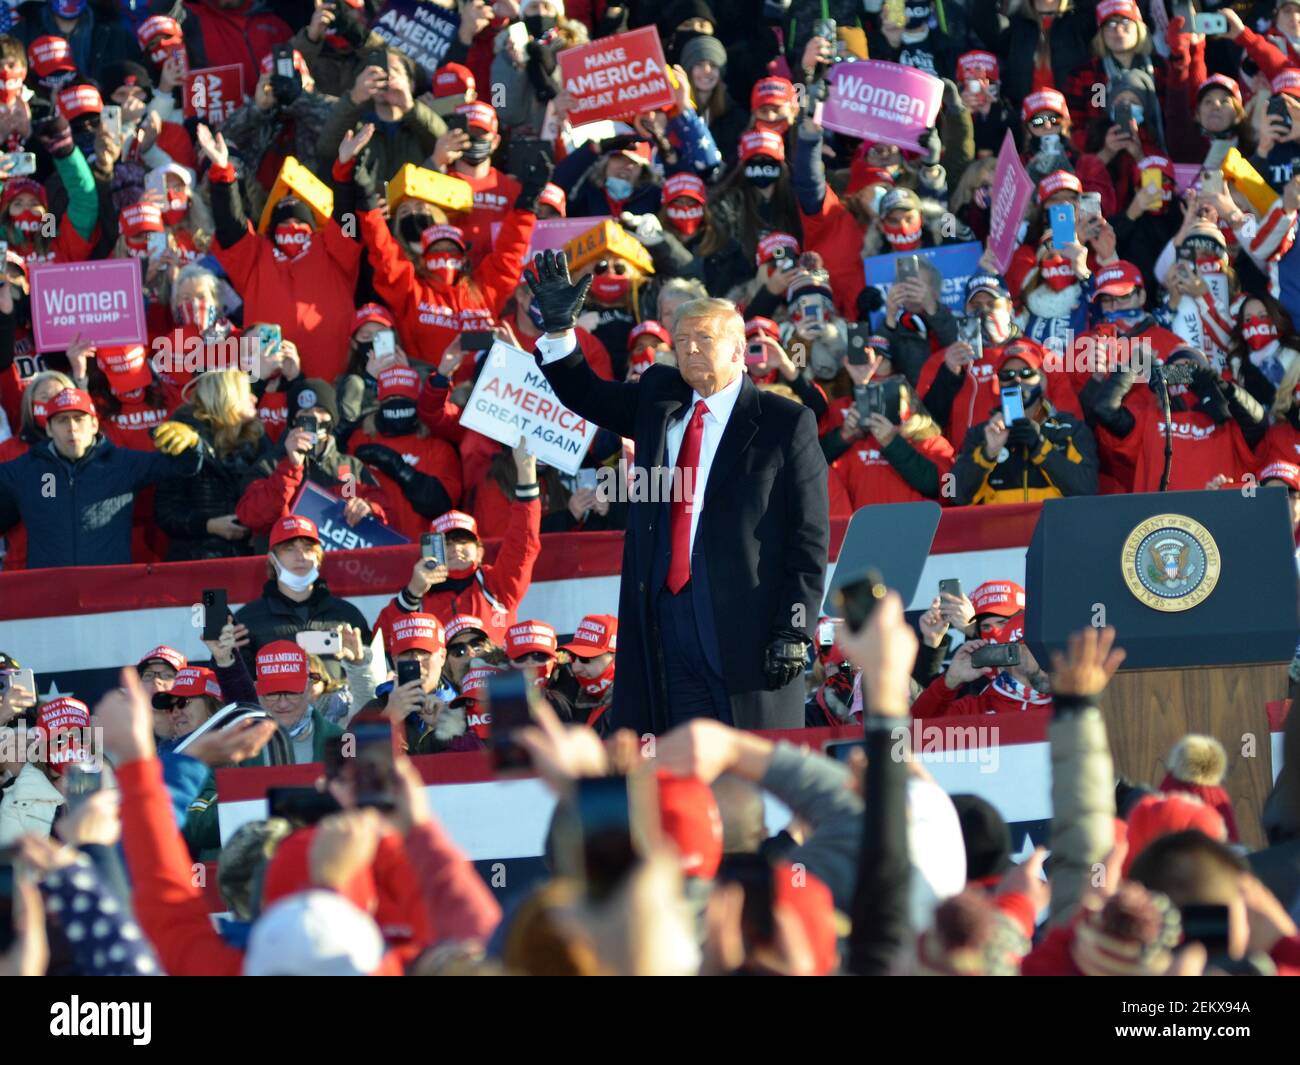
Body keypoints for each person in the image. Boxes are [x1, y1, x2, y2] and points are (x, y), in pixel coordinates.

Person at [529, 252, 829, 733]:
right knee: (684, 764)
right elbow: (586, 394)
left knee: (753, 772)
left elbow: (809, 538)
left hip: (744, 627)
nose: (689, 350)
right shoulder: (659, 398)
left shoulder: (785, 422)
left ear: (738, 350)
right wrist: (561, 331)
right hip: (665, 620)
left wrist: (795, 625)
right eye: (682, 340)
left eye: (703, 340)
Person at [0, 387, 202, 567]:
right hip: (50, 598)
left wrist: (192, 444)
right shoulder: (26, 469)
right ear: (49, 429)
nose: (72, 427)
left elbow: (184, 466)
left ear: (94, 425)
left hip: (108, 595)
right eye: (63, 420)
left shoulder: (122, 463)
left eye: (79, 418)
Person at [374, 457, 542, 648]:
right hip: (440, 678)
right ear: (431, 552)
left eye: (464, 541)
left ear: (480, 552)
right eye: (447, 543)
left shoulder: (498, 585)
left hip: (494, 675)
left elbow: (522, 543)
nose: (455, 548)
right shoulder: (418, 597)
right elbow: (382, 644)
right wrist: (412, 592)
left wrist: (527, 477)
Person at [951, 341, 1099, 504]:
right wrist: (988, 453)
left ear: (1042, 381)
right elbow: (955, 496)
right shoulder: (981, 434)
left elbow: (1087, 490)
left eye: (1027, 372)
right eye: (1007, 375)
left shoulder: (1070, 429)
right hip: (1001, 529)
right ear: (999, 384)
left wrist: (1039, 447)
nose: (1017, 380)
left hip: (1053, 528)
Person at [154, 369, 276, 560]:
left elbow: (273, 494)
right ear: (225, 398)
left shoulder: (259, 440)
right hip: (198, 565)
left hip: (248, 564)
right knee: (212, 593)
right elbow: (167, 512)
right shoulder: (182, 441)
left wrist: (256, 528)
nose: (254, 398)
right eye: (246, 393)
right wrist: (209, 525)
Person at [232, 514, 372, 673]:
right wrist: (225, 659)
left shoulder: (348, 615)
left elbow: (377, 686)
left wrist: (359, 663)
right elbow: (240, 690)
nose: (301, 557)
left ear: (319, 558)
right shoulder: (247, 620)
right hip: (277, 699)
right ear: (272, 559)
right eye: (289, 549)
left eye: (308, 548)